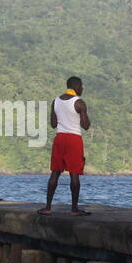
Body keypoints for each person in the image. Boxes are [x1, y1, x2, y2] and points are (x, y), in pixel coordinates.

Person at [39, 76, 90, 216]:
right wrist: (83, 114)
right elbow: (85, 126)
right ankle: (74, 209)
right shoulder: (79, 103)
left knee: (55, 172)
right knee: (74, 174)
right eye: (81, 86)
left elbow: (53, 124)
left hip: (60, 138)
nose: (82, 88)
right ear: (76, 86)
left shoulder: (55, 101)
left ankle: (48, 207)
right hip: (74, 139)